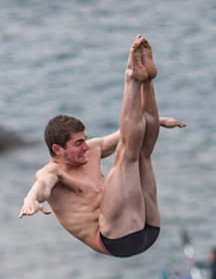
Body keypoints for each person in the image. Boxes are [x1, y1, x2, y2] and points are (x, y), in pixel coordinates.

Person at [19, 35, 186, 257]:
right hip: (117, 240)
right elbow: (42, 187)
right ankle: (132, 78)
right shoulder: (53, 172)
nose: (85, 147)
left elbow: (127, 130)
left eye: (84, 140)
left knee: (143, 152)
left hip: (148, 228)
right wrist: (30, 200)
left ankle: (147, 81)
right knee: (127, 155)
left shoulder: (93, 149)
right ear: (58, 149)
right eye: (78, 143)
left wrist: (161, 120)